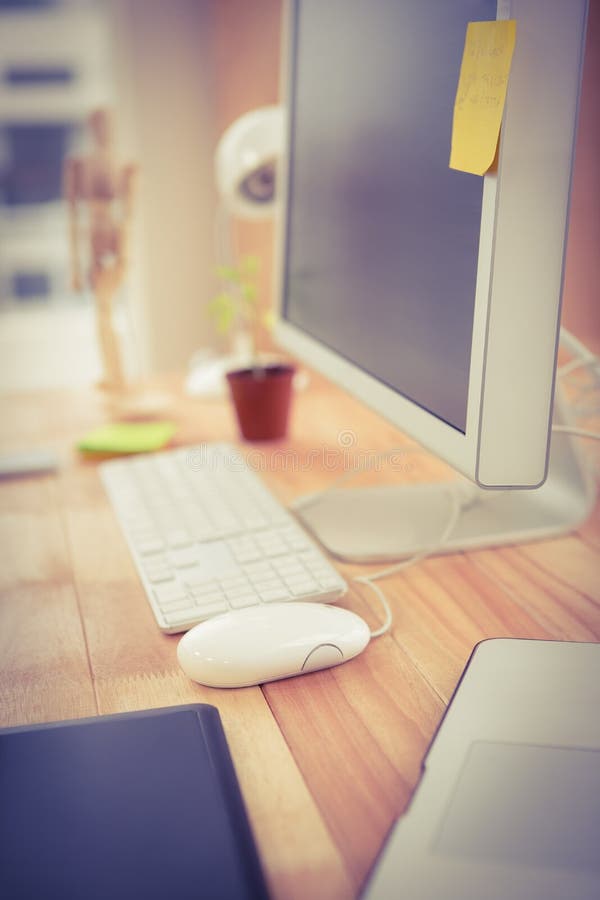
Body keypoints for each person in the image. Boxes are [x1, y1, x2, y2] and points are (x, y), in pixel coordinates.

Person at [64, 109, 137, 392]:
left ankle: (118, 374)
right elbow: (72, 217)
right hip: (94, 245)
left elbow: (128, 213)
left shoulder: (123, 164)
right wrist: (74, 266)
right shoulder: (79, 165)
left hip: (116, 243)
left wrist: (126, 250)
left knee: (106, 311)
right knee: (102, 313)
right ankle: (114, 374)